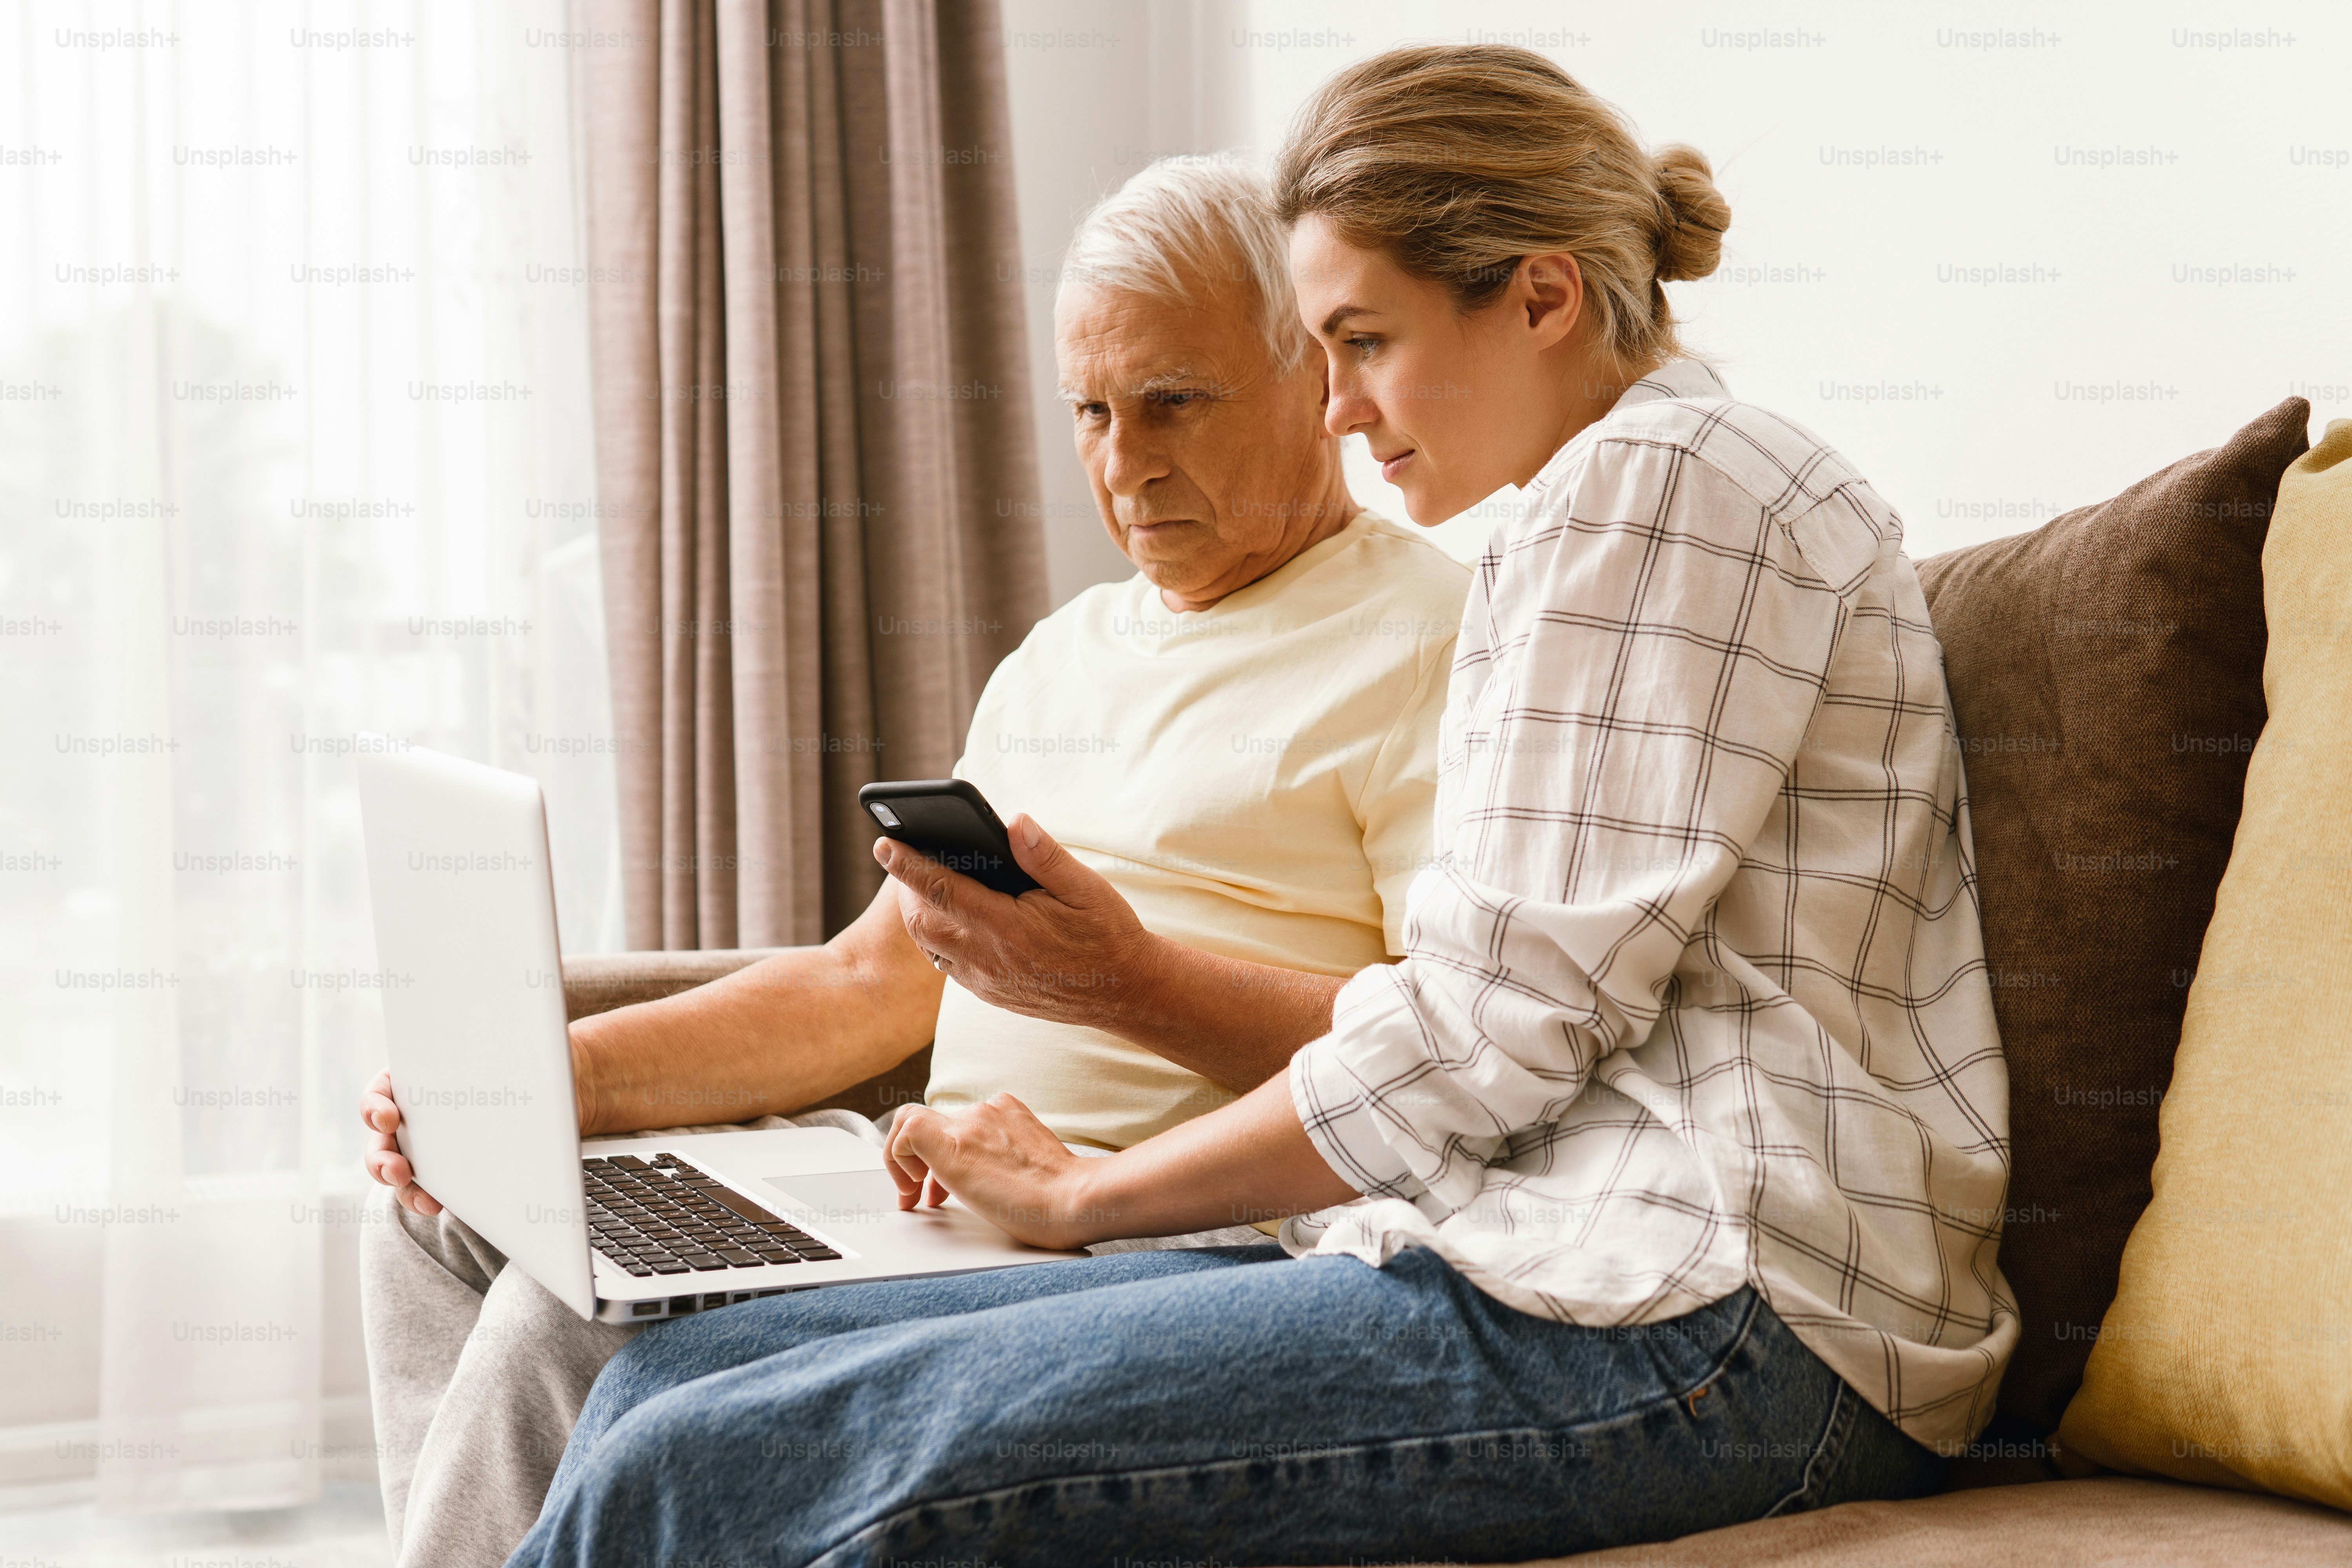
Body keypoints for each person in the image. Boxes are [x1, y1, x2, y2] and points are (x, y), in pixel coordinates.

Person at [509, 45, 2018, 1568]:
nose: (1344, 408)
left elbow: (1483, 1036)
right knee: (678, 1379)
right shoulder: (1603, 512)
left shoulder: (1665, 484)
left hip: (1728, 1322)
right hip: (1568, 1266)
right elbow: (1496, 1014)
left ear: (1545, 296)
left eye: (1364, 342)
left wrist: (1092, 1195)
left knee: (721, 1464)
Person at [353, 154, 1470, 1568]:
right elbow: (866, 985)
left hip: (1169, 1234)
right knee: (430, 1219)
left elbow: (1450, 1051)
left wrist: (1118, 989)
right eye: (1092, 411)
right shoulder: (1066, 653)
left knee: (556, 1317)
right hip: (918, 1195)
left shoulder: (1439, 646)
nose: (1125, 465)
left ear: (1313, 377)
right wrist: (553, 1084)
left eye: (1175, 402)